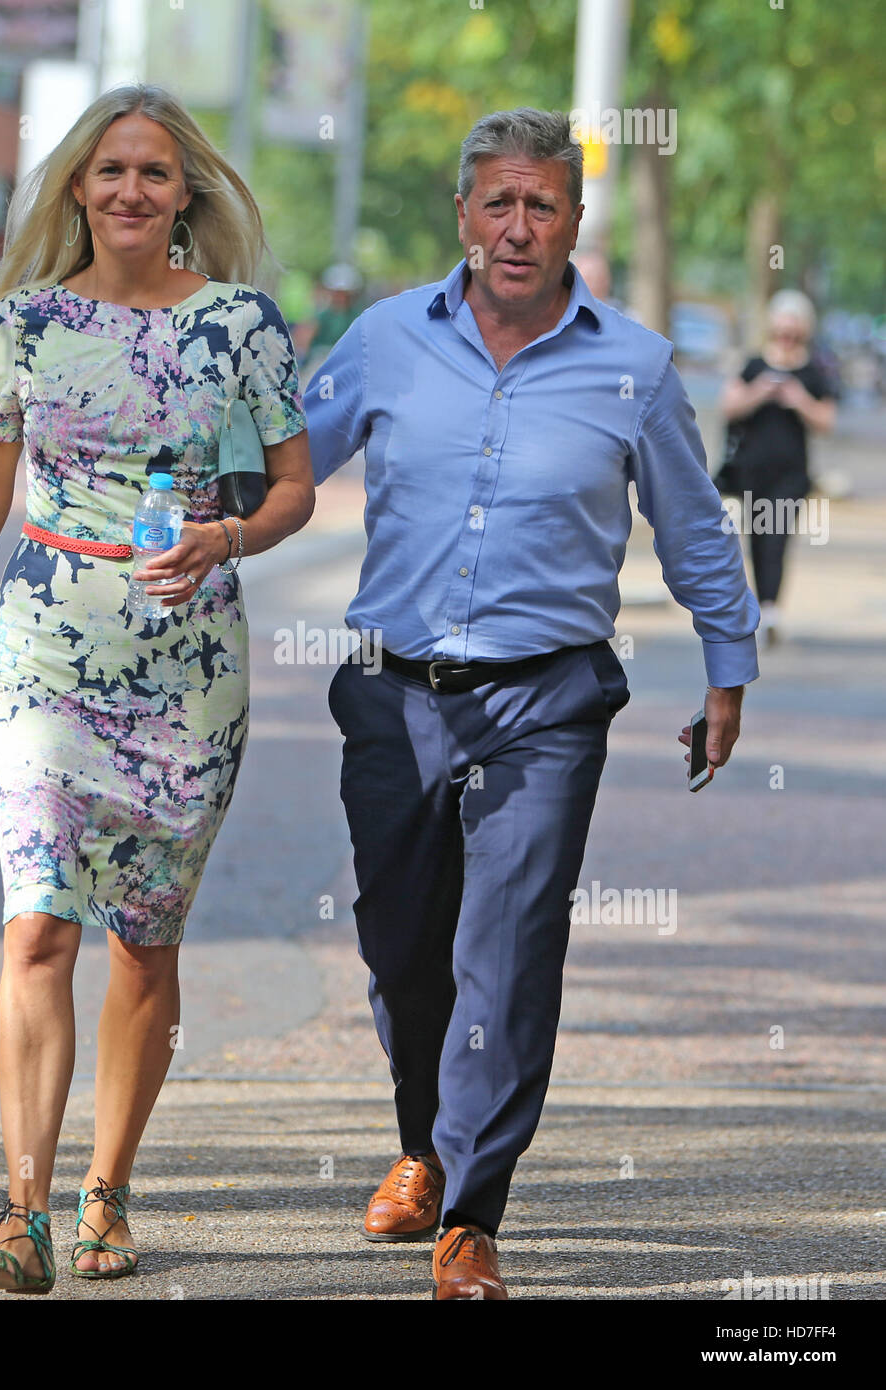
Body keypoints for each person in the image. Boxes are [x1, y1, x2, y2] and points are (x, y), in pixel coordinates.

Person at [303, 107, 759, 1299]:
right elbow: (287, 457)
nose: (517, 226)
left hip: (548, 700)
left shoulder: (635, 366)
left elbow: (693, 526)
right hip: (394, 691)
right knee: (405, 947)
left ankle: (471, 1212)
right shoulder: (390, 337)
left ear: (573, 220)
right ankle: (423, 1145)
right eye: (496, 202)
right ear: (462, 213)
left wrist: (728, 665)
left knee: (508, 946)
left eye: (541, 204)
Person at [0, 83, 313, 1293]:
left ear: (188, 194)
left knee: (141, 945)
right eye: (110, 169)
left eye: (155, 172)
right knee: (38, 923)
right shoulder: (23, 322)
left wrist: (223, 542)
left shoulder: (242, 324)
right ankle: (21, 1211)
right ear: (78, 185)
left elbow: (294, 491)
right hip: (40, 651)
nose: (131, 189)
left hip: (189, 664)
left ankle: (107, 1192)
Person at [718, 289, 837, 645]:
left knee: (777, 535)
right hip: (753, 471)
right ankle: (763, 604)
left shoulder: (813, 371)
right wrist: (761, 392)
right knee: (757, 537)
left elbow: (827, 421)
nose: (785, 337)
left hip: (791, 474)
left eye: (792, 330)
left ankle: (770, 607)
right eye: (780, 330)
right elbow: (729, 406)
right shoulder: (755, 365)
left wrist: (797, 399)